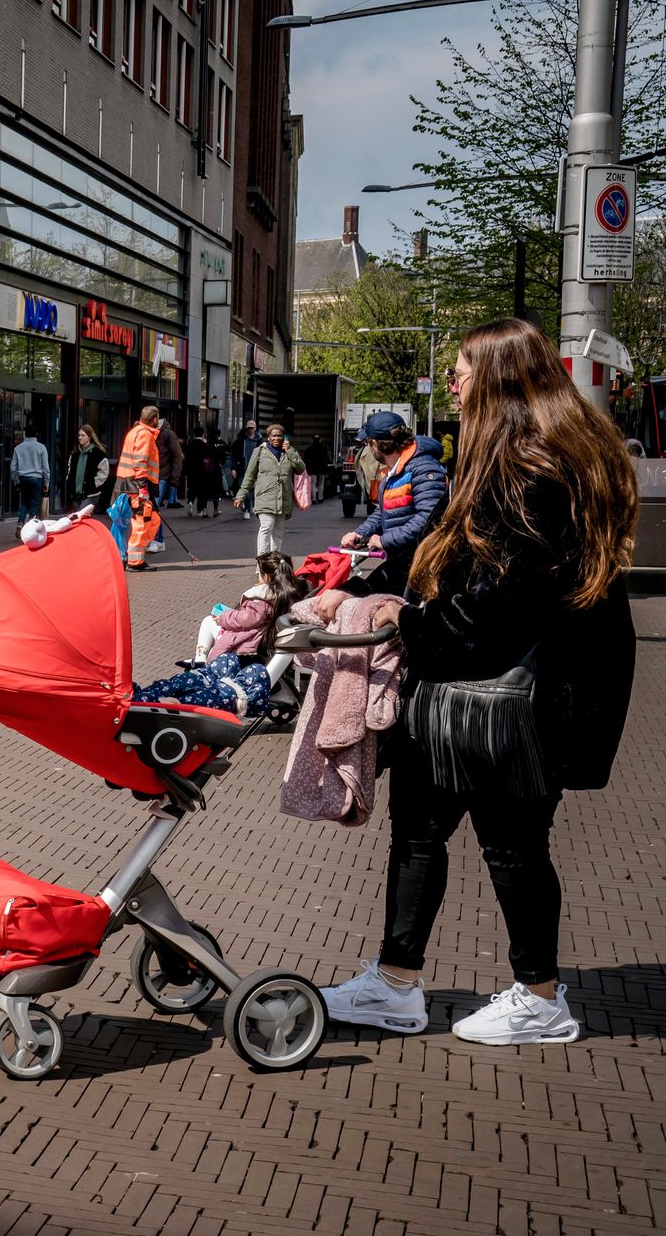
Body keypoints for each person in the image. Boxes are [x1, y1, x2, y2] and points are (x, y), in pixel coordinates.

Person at [315, 317, 637, 1045]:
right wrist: (374, 584)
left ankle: (542, 996)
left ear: (495, 376)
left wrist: (408, 625)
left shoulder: (538, 472)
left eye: (462, 368)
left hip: (525, 696)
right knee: (419, 823)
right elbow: (456, 560)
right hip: (470, 688)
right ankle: (396, 983)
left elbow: (505, 599)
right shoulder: (502, 461)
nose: (454, 382)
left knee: (513, 839)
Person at [340, 411, 448, 595]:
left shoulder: (423, 468)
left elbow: (429, 518)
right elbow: (383, 511)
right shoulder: (397, 469)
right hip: (403, 560)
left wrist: (384, 540)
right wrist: (360, 533)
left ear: (375, 444)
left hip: (422, 564)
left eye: (368, 443)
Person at [191, 549, 303, 664]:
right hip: (263, 637)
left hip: (248, 640)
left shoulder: (262, 598)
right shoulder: (291, 593)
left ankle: (200, 659)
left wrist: (223, 618)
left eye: (259, 573)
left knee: (209, 621)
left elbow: (246, 620)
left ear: (267, 577)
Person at [236, 423, 306, 555]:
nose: (277, 438)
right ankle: (262, 564)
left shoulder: (290, 451)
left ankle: (274, 563)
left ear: (284, 437)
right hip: (265, 497)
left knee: (278, 532)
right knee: (266, 527)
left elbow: (301, 468)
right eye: (273, 435)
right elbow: (249, 476)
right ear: (268, 437)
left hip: (283, 498)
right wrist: (241, 495)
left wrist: (290, 450)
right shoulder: (259, 452)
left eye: (279, 435)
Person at [113, 406, 163, 571]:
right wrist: (143, 488)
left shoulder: (134, 432)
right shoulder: (145, 435)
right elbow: (140, 462)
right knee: (144, 521)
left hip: (129, 484)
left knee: (149, 520)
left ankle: (134, 556)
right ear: (155, 419)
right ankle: (135, 560)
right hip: (137, 486)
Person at [66, 424, 110, 515]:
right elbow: (69, 469)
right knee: (79, 519)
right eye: (79, 435)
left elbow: (104, 472)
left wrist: (94, 484)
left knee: (82, 517)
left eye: (83, 435)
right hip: (76, 493)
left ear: (90, 437)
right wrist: (69, 480)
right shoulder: (75, 452)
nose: (80, 437)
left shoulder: (98, 453)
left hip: (91, 493)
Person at [10, 427, 50, 524]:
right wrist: (46, 483)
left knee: (23, 502)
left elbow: (13, 468)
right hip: (37, 478)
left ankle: (20, 523)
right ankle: (31, 526)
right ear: (36, 435)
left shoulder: (18, 448)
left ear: (25, 434)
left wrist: (16, 481)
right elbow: (45, 468)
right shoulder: (41, 447)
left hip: (23, 478)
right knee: (34, 503)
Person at [231, 420, 261, 517]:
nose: (250, 430)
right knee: (244, 488)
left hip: (256, 469)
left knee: (253, 489)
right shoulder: (240, 441)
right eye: (249, 428)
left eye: (252, 428)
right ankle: (247, 508)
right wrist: (233, 468)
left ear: (255, 428)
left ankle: (249, 507)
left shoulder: (260, 441)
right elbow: (234, 455)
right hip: (242, 468)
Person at [157, 418, 185, 509]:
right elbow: (177, 455)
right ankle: (171, 501)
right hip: (164, 469)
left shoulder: (156, 433)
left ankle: (169, 501)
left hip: (158, 468)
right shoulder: (169, 434)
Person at [302, 435, 331, 501]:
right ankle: (320, 498)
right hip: (321, 470)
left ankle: (314, 499)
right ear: (320, 440)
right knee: (321, 483)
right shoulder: (323, 449)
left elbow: (305, 460)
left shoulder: (308, 449)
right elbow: (327, 459)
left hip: (312, 470)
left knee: (313, 484)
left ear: (312, 440)